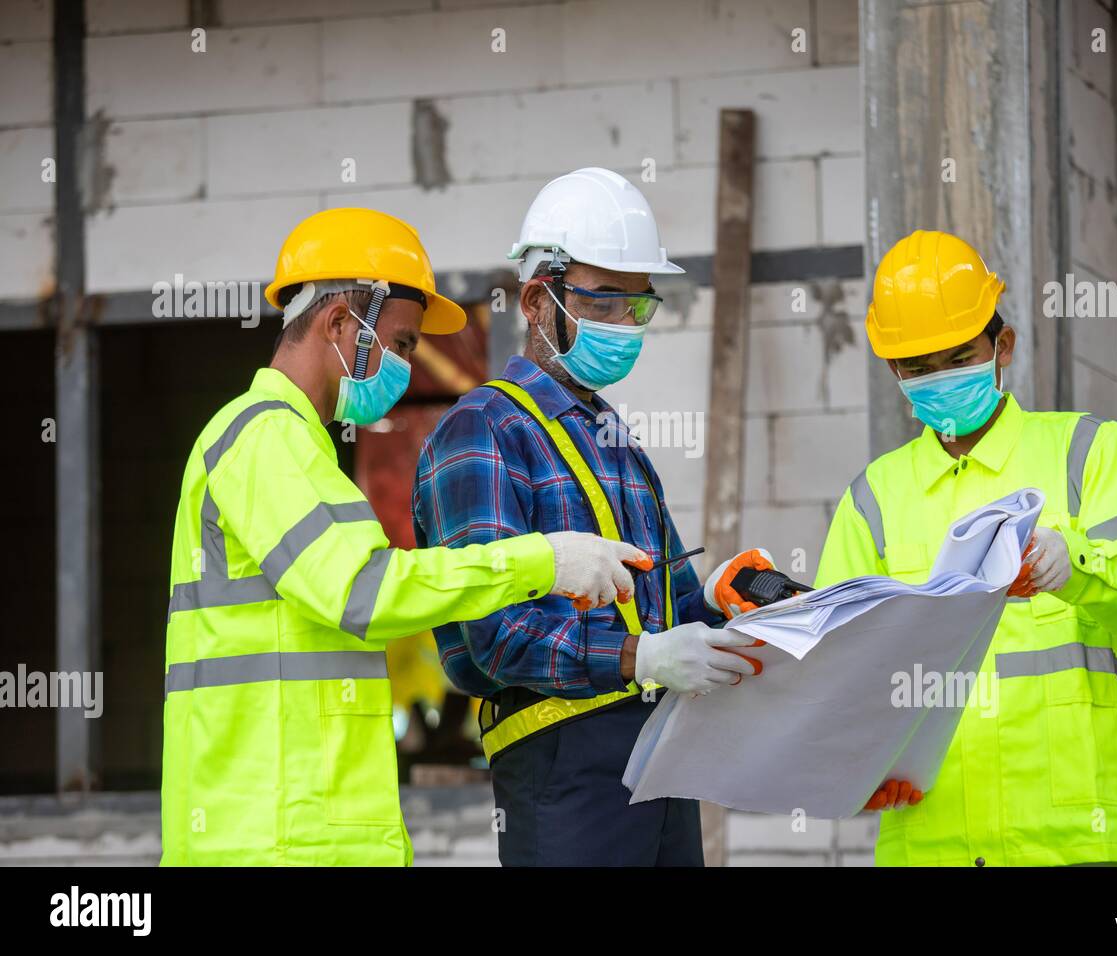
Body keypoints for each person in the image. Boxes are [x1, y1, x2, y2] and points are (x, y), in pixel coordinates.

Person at [161, 208, 639, 865]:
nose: (408, 368)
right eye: (404, 343)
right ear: (338, 325)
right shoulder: (265, 437)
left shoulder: (287, 444)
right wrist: (541, 560)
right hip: (275, 839)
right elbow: (364, 592)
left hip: (290, 831)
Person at [414, 168, 772, 865]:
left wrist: (729, 610)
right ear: (537, 300)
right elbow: (492, 635)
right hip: (562, 771)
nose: (621, 324)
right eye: (603, 299)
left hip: (664, 762)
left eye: (636, 306)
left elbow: (665, 616)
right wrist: (644, 656)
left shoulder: (617, 442)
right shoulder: (482, 432)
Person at [817, 229, 1117, 866]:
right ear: (893, 371)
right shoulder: (873, 498)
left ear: (1001, 346)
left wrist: (1076, 565)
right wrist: (861, 765)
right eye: (918, 367)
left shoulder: (1085, 451)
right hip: (931, 846)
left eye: (958, 356)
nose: (939, 378)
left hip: (1076, 844)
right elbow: (835, 667)